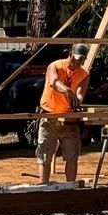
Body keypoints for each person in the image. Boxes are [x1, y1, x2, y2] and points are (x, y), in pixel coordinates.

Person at [36, 49, 92, 185]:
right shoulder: (55, 66)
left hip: (69, 120)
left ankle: (70, 188)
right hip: (49, 116)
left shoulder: (84, 74)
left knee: (72, 156)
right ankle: (43, 188)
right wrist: (67, 91)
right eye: (77, 59)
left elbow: (80, 92)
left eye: (82, 61)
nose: (78, 63)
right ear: (71, 54)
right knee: (44, 155)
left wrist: (77, 99)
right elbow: (54, 82)